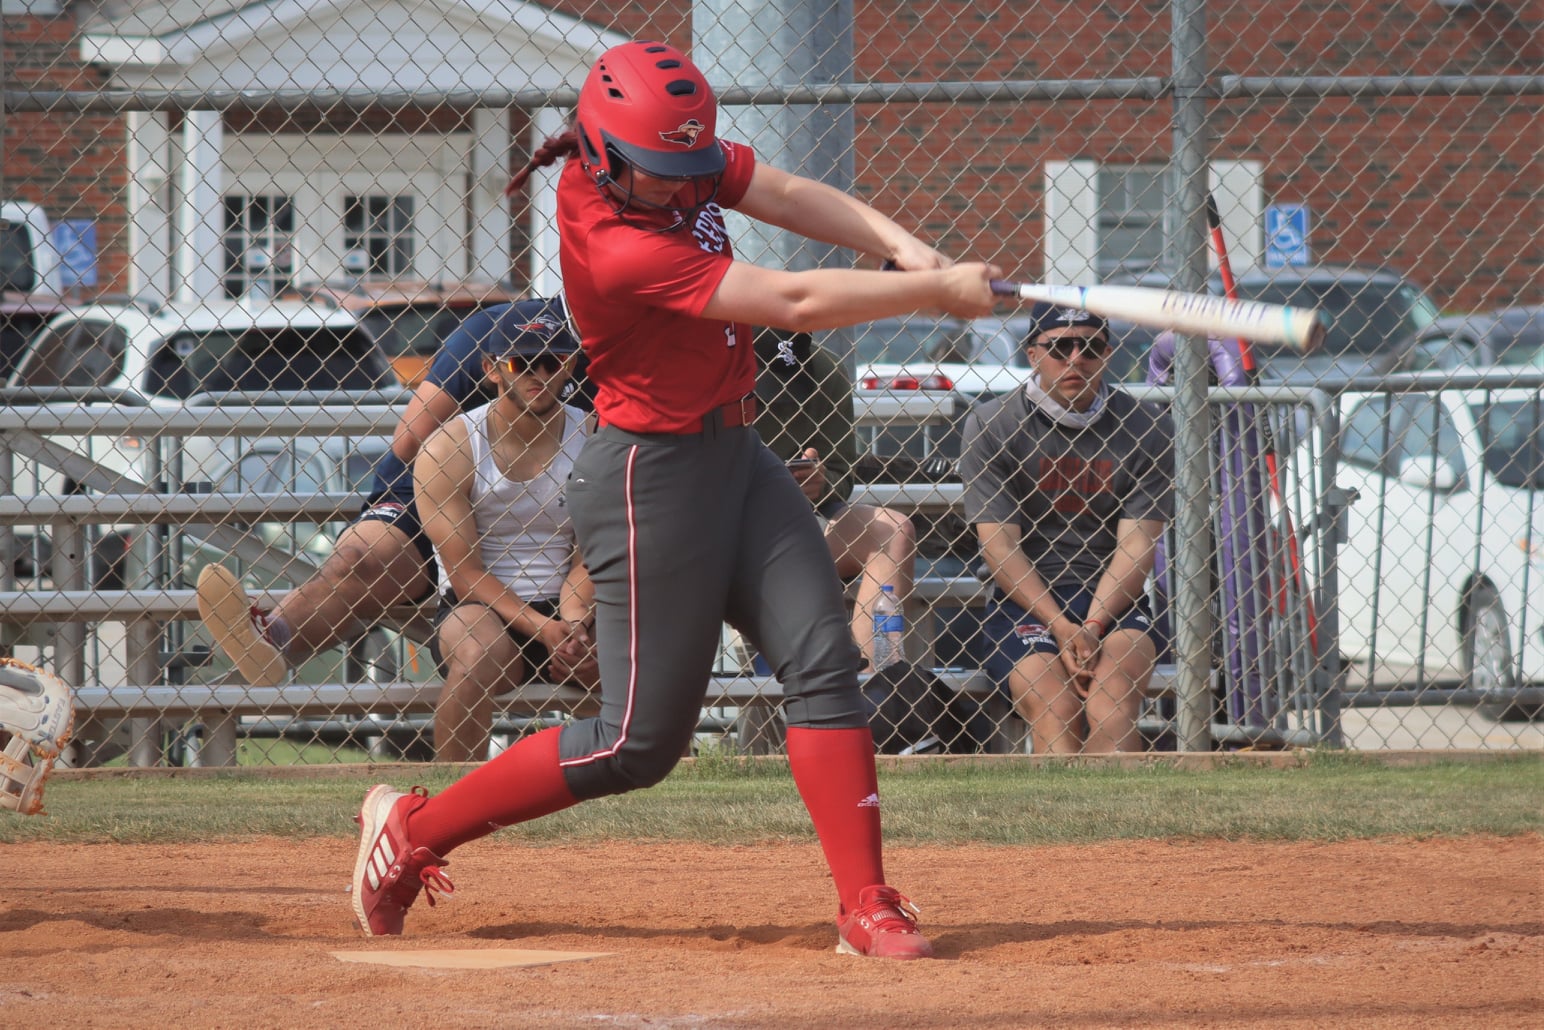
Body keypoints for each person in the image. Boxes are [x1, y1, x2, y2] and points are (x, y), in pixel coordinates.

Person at [348, 39, 1000, 960]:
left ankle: (867, 903)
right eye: (662, 172)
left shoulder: (665, 164)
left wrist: (898, 243)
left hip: (739, 454)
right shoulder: (610, 241)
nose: (684, 186)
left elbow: (776, 192)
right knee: (637, 744)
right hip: (647, 477)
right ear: (606, 154)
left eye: (691, 167)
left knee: (822, 662)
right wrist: (933, 292)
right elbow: (793, 301)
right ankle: (412, 831)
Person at [196, 298, 582, 688]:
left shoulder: (634, 344)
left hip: (559, 504)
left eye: (555, 362)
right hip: (442, 487)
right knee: (359, 560)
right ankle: (272, 640)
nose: (542, 370)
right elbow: (411, 440)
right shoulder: (501, 330)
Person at [959, 303, 1173, 754]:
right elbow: (999, 549)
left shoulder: (1147, 426)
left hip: (1113, 602)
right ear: (1033, 354)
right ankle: (1062, 823)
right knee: (1057, 710)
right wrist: (1059, 626)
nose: (1076, 359)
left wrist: (1092, 624)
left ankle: (1120, 825)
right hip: (1027, 605)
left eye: (1090, 347)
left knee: (1110, 707)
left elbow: (1137, 545)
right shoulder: (992, 424)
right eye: (1059, 347)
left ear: (1108, 354)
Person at [413, 312, 597, 763]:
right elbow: (466, 574)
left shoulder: (596, 437)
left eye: (551, 362)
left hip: (571, 603)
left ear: (570, 365)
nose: (538, 375)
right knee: (476, 656)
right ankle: (452, 800)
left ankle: (629, 794)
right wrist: (545, 629)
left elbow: (593, 552)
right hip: (480, 608)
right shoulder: (450, 447)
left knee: (631, 657)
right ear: (492, 368)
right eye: (521, 364)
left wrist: (573, 623)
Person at [751, 326, 918, 670]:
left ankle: (880, 681)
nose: (782, 397)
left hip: (793, 527)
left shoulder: (823, 369)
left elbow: (843, 472)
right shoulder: (700, 367)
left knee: (892, 530)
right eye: (771, 384)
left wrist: (820, 483)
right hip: (709, 527)